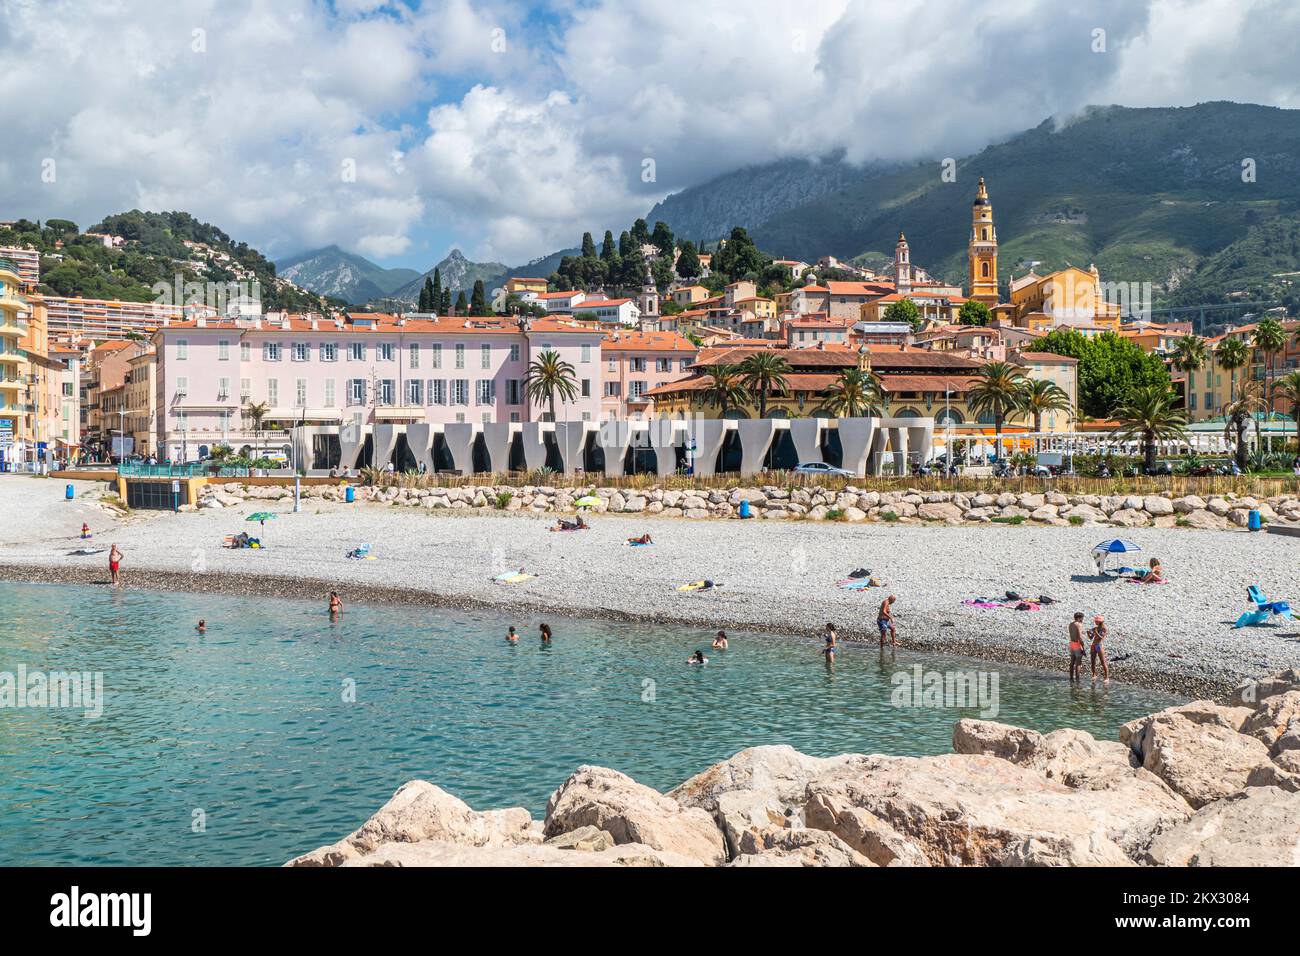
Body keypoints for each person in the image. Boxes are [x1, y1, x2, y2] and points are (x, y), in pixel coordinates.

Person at [1089, 615, 1110, 683]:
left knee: (1102, 662)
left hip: (1099, 646)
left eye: (1096, 621)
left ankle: (1106, 677)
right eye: (1095, 621)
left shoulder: (1104, 629)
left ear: (1100, 622)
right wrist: (1089, 633)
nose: (1095, 622)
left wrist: (1096, 632)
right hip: (1093, 645)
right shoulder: (1096, 628)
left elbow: (1101, 637)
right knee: (1092, 661)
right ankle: (1094, 675)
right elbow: (1091, 638)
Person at [1068, 612, 1086, 682]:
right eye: (1082, 618)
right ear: (1079, 618)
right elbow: (1080, 638)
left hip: (1071, 644)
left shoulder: (1071, 624)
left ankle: (1071, 678)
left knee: (1072, 662)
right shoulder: (1079, 624)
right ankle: (1077, 679)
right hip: (1077, 644)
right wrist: (1083, 648)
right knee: (1078, 662)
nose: (1082, 619)